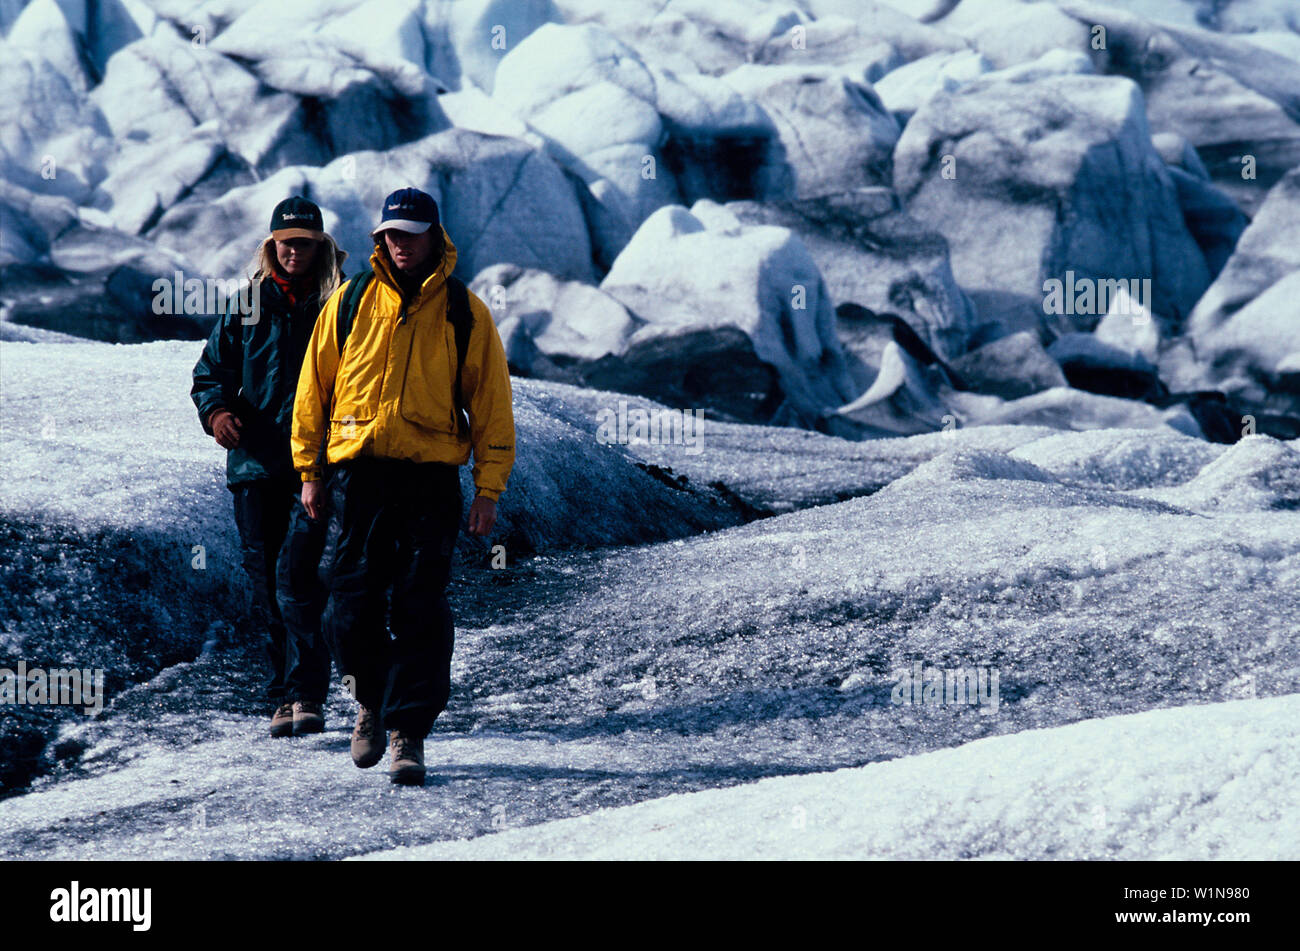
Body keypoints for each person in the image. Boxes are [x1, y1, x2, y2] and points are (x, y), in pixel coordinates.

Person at [291, 187, 515, 786]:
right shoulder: (349, 301)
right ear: (380, 239)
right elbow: (314, 389)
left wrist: (488, 488)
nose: (400, 244)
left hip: (430, 480)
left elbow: (491, 406)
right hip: (359, 477)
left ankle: (407, 730)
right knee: (348, 603)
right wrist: (310, 472)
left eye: (411, 234)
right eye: (392, 234)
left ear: (435, 238)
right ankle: (371, 700)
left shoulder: (466, 313)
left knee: (420, 604)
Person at [191, 196, 346, 739]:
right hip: (256, 467)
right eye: (286, 244)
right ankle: (282, 696)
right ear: (271, 246)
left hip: (319, 469)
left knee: (300, 577)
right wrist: (217, 414)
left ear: (321, 247)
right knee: (265, 583)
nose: (294, 253)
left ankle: (307, 693)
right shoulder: (247, 305)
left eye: (304, 244)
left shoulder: (342, 305)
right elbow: (210, 372)